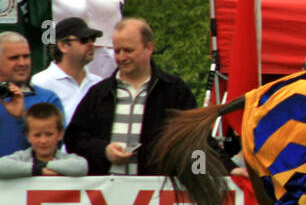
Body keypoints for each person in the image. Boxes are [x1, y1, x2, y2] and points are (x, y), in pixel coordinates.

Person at [65, 18, 198, 175]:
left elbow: (199, 141)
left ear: (149, 48)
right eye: (117, 51)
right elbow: (74, 139)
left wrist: (206, 172)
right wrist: (104, 150)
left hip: (157, 192)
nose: (121, 57)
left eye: (128, 50)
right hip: (106, 192)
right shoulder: (99, 93)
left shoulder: (174, 90)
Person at [0, 31, 64, 159]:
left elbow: (56, 146)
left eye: (26, 56)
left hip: (34, 176)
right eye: (14, 58)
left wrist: (21, 118)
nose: (23, 63)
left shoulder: (47, 99)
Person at [32, 17, 103, 119]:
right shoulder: (40, 83)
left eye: (93, 39)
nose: (91, 44)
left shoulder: (98, 84)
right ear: (63, 46)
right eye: (84, 40)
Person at [0, 102, 88, 178]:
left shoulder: (67, 159)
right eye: (37, 135)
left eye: (49, 134)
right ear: (27, 136)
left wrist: (44, 164)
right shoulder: (21, 158)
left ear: (60, 134)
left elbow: (82, 166)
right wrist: (38, 170)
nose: (43, 141)